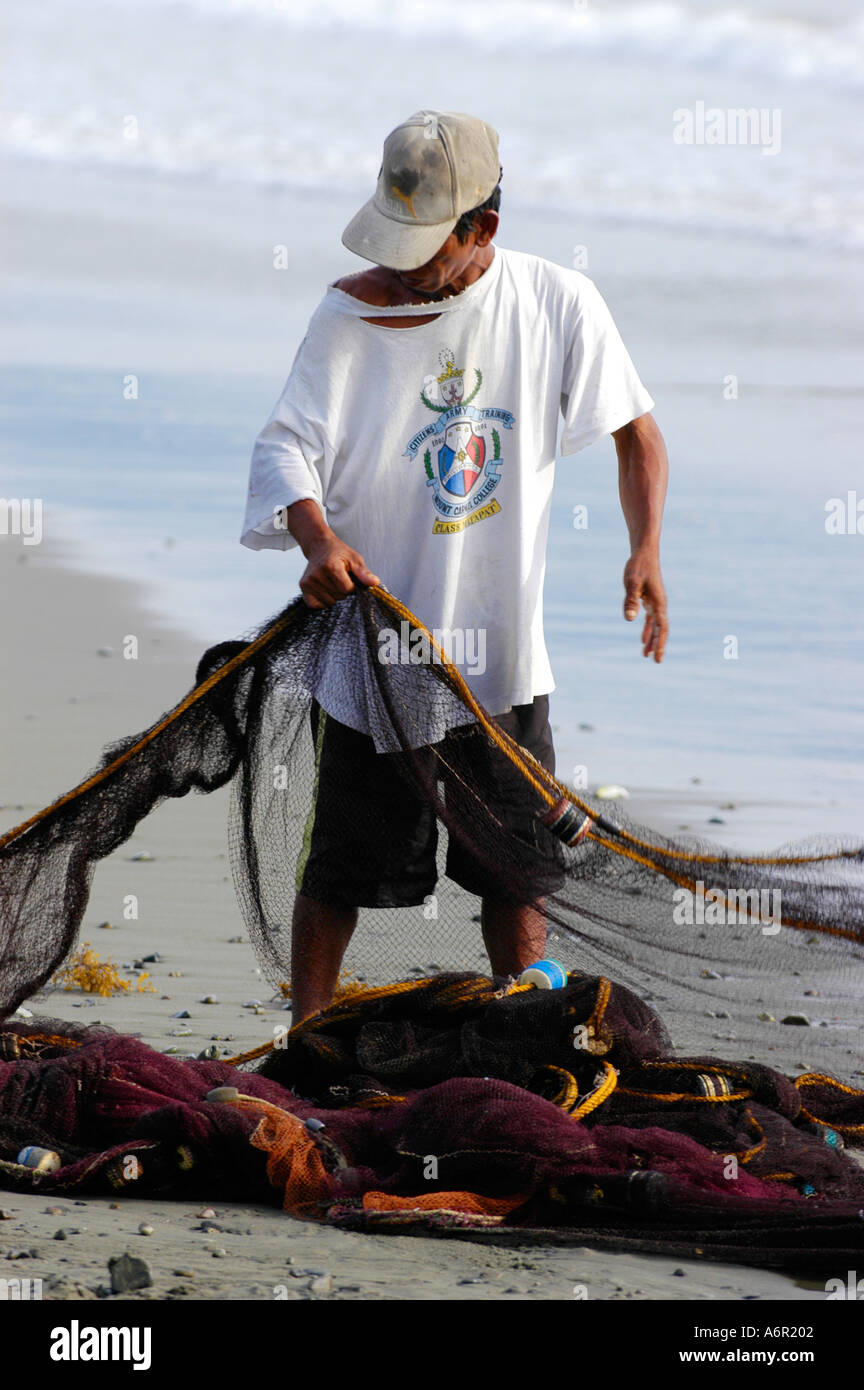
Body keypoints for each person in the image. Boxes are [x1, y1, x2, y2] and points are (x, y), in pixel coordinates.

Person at [241, 109, 669, 1021]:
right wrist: (318, 542)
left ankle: (521, 1020)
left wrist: (646, 549)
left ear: (484, 230)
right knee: (344, 867)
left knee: (516, 870)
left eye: (424, 246)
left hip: (501, 661)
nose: (399, 267)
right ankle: (307, 1032)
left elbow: (638, 434)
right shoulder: (349, 311)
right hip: (376, 660)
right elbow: (284, 448)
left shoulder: (557, 303)